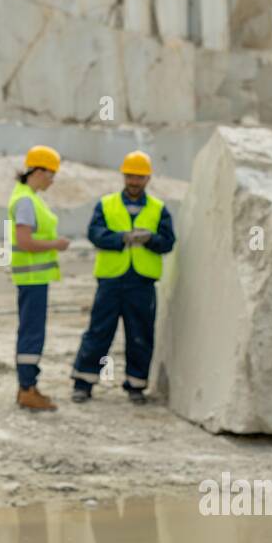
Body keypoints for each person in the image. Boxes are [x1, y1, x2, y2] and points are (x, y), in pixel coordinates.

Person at [70, 150, 174, 405]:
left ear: (148, 178)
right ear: (124, 176)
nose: (134, 181)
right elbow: (95, 234)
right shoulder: (106, 204)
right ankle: (83, 382)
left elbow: (168, 242)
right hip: (111, 280)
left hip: (141, 282)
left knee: (140, 334)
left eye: (139, 177)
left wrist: (150, 239)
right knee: (98, 332)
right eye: (130, 176)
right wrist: (122, 238)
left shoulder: (159, 209)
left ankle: (136, 385)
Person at [8, 145, 70, 410]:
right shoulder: (25, 200)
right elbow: (25, 241)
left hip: (35, 279)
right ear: (38, 170)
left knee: (32, 331)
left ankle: (29, 386)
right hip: (32, 279)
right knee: (32, 333)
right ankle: (27, 388)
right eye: (51, 174)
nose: (52, 180)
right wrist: (56, 245)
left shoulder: (29, 197)